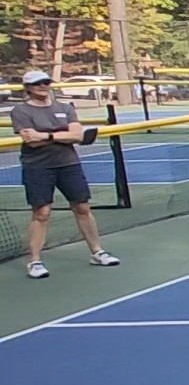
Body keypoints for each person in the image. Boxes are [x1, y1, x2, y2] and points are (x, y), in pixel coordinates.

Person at [9, 69, 120, 279]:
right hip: (37, 167)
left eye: (46, 82)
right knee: (42, 213)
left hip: (68, 164)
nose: (43, 86)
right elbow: (30, 140)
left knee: (82, 207)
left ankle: (97, 251)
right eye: (38, 83)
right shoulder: (21, 111)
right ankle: (35, 261)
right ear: (28, 88)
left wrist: (47, 135)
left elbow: (77, 135)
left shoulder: (65, 108)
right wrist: (63, 135)